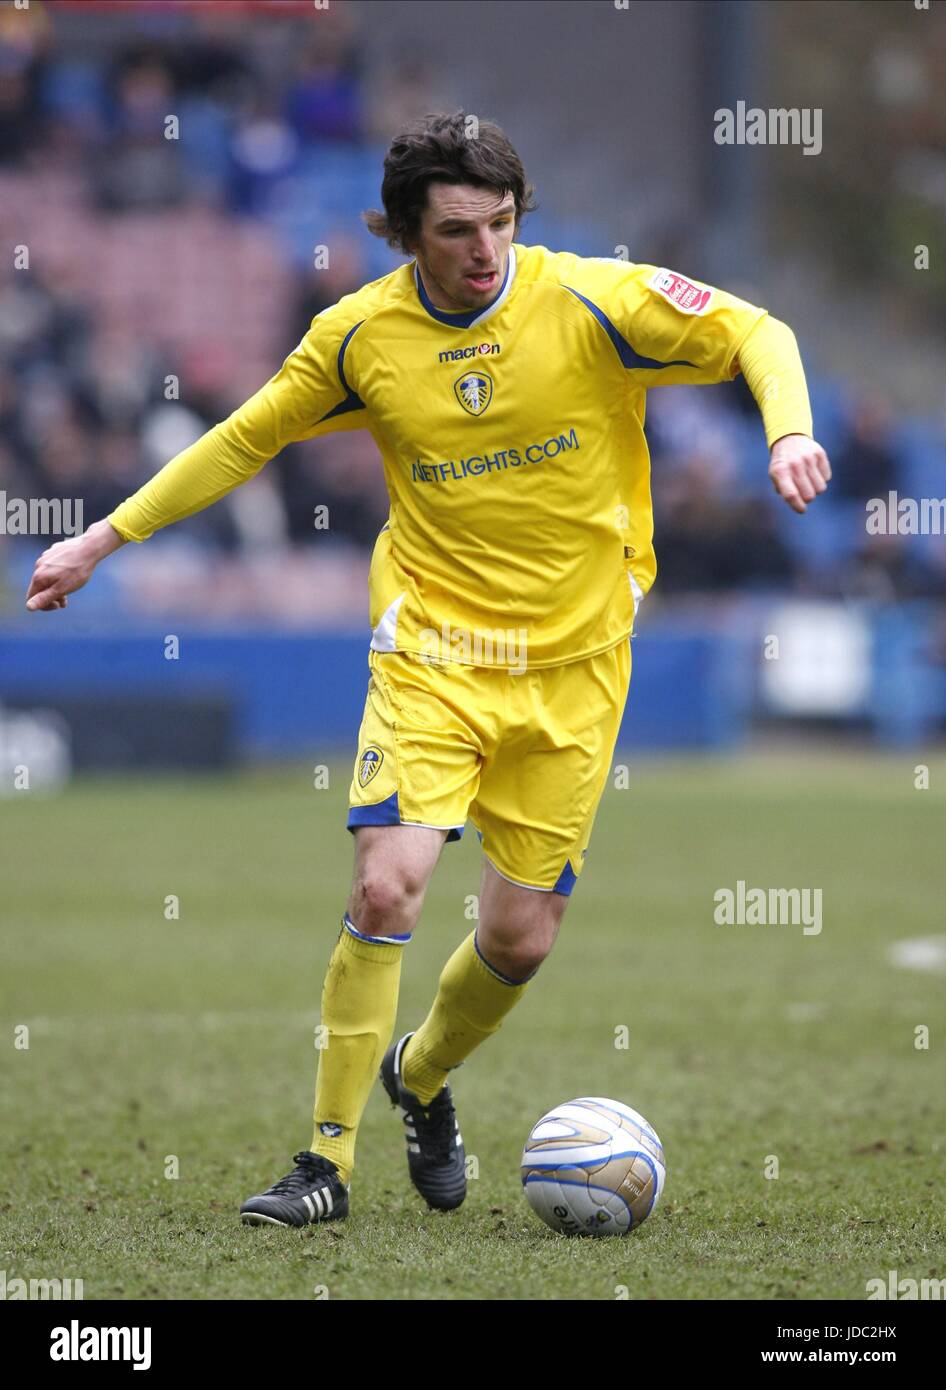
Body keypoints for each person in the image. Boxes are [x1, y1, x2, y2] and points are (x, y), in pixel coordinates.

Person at [25, 110, 832, 1228]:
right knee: (386, 883)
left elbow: (761, 331)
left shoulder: (592, 299)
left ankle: (420, 1076)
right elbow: (246, 435)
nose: (485, 249)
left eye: (500, 223)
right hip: (433, 652)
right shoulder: (359, 337)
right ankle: (326, 1162)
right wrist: (103, 538)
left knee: (517, 936)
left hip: (577, 665)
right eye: (457, 230)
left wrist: (786, 430)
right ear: (408, 234)